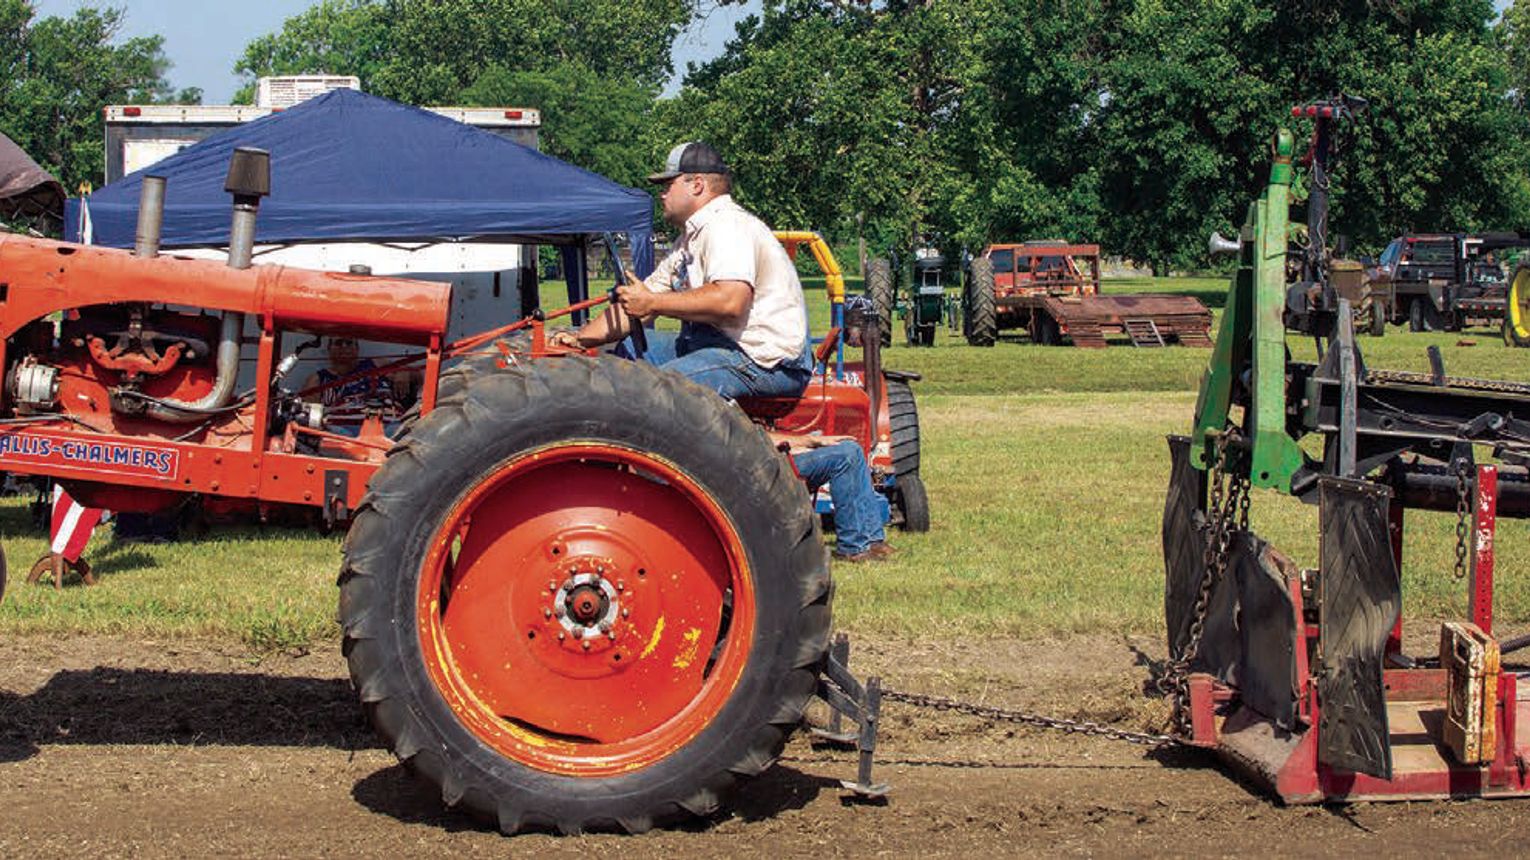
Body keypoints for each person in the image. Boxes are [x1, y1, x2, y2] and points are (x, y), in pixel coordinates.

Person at [551, 141, 813, 400]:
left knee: (646, 392)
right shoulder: (688, 241)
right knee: (627, 349)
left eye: (668, 185)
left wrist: (652, 302)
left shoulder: (727, 226)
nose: (662, 194)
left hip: (762, 360)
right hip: (719, 345)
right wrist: (578, 340)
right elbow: (638, 305)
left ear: (697, 185)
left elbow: (731, 301)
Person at [771, 432, 894, 563]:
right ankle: (853, 548)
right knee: (846, 456)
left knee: (852, 447)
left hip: (779, 454)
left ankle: (873, 540)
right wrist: (811, 441)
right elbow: (760, 440)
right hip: (774, 466)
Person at [301, 336, 414, 435]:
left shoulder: (375, 365)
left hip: (389, 426)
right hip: (342, 433)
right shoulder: (318, 379)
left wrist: (403, 373)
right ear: (329, 349)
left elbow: (418, 375)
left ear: (357, 348)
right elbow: (308, 416)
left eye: (349, 343)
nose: (344, 347)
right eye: (339, 343)